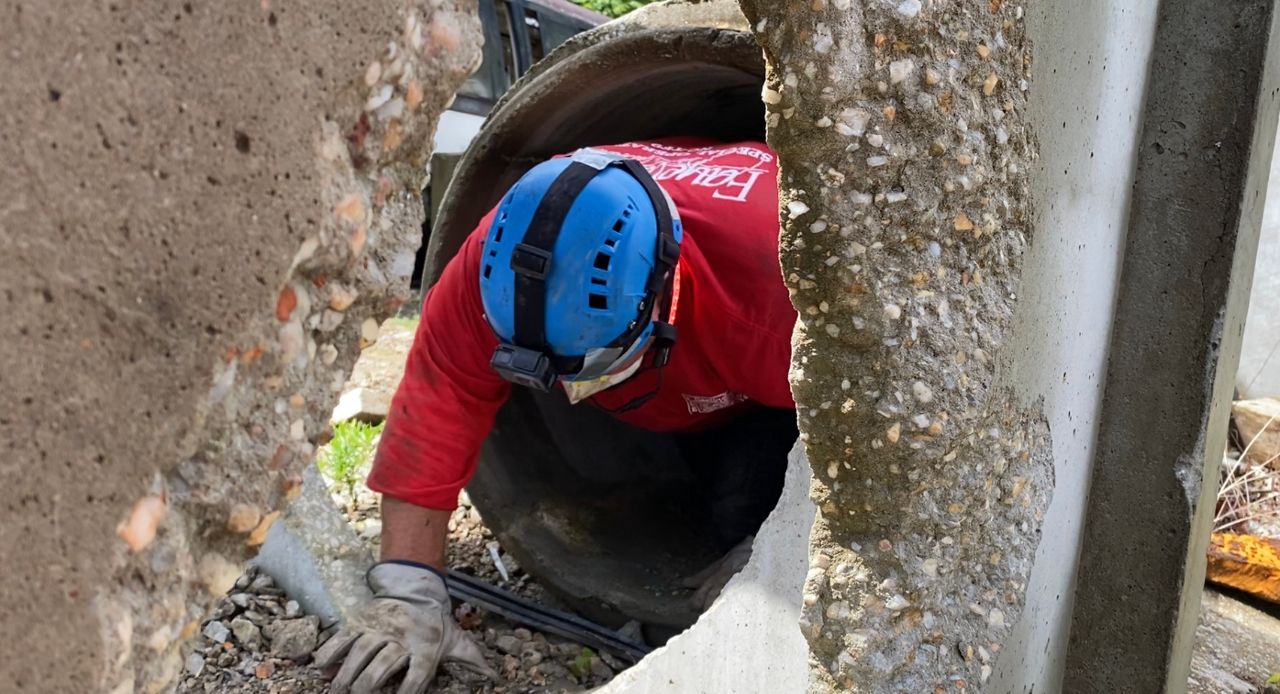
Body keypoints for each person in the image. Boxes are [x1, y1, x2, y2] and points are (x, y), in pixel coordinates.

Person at [314, 138, 798, 693]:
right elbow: (438, 398)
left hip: (773, 400)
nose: (569, 392)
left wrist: (786, 545)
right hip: (692, 387)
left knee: (743, 520)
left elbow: (884, 436)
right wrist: (408, 589)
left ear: (663, 296)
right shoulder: (502, 258)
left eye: (587, 370)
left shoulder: (780, 289)